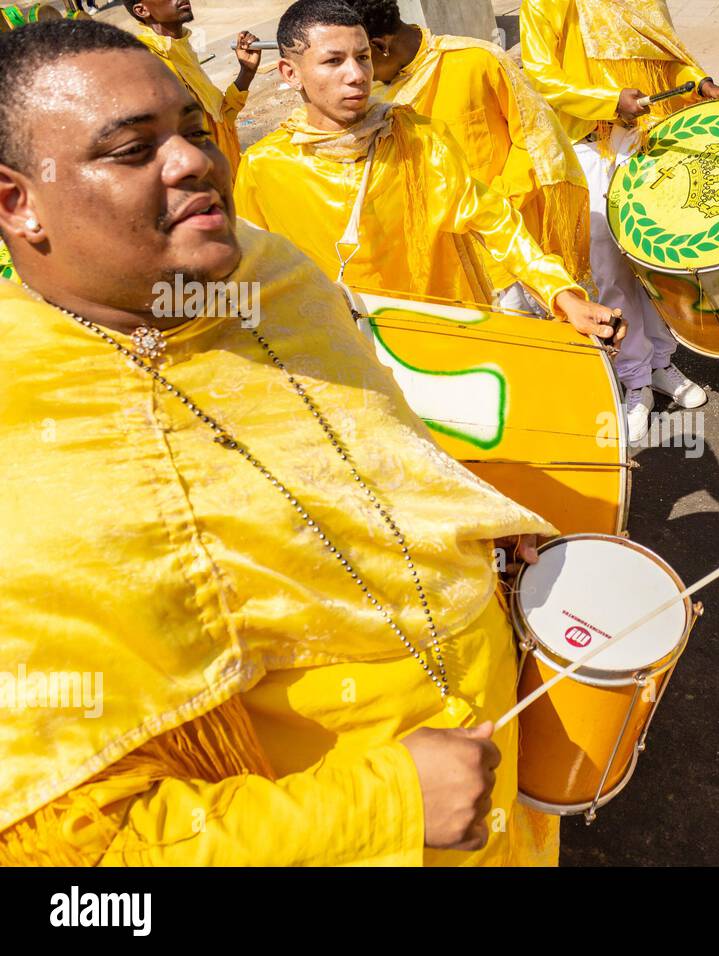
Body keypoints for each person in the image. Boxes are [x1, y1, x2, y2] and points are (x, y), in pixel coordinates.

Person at [0, 18, 561, 866]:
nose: (196, 161)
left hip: (496, 793)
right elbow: (84, 870)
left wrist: (467, 534)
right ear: (19, 202)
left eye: (193, 129)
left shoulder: (269, 280)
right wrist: (385, 808)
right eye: (131, 150)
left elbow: (372, 451)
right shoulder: (25, 451)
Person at [235, 0, 618, 344]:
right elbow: (250, 275)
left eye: (363, 57)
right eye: (334, 61)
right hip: (342, 350)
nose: (356, 74)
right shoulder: (265, 168)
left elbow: (494, 220)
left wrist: (562, 295)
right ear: (290, 72)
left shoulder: (418, 137)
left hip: (446, 336)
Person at [519, 0, 719, 441]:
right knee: (611, 267)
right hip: (590, 147)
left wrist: (698, 83)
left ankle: (661, 362)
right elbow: (541, 75)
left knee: (653, 258)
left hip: (650, 141)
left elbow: (668, 59)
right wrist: (609, 101)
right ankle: (634, 379)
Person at [354, 0, 590, 316]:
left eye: (360, 59)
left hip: (512, 254)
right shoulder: (369, 102)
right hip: (444, 270)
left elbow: (537, 141)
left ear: (378, 46)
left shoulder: (475, 61)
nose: (356, 75)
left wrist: (493, 207)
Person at [128, 0, 262, 173]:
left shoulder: (179, 48)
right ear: (142, 10)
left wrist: (246, 72)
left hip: (229, 175)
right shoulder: (144, 60)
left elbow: (219, 117)